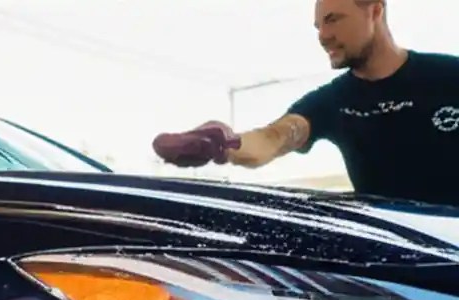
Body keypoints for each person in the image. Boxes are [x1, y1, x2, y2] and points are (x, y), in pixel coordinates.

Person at [152, 0, 459, 207]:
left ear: (375, 11)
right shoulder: (333, 101)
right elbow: (274, 138)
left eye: (333, 19)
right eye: (318, 27)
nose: (323, 36)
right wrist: (221, 143)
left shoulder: (448, 76)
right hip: (399, 274)